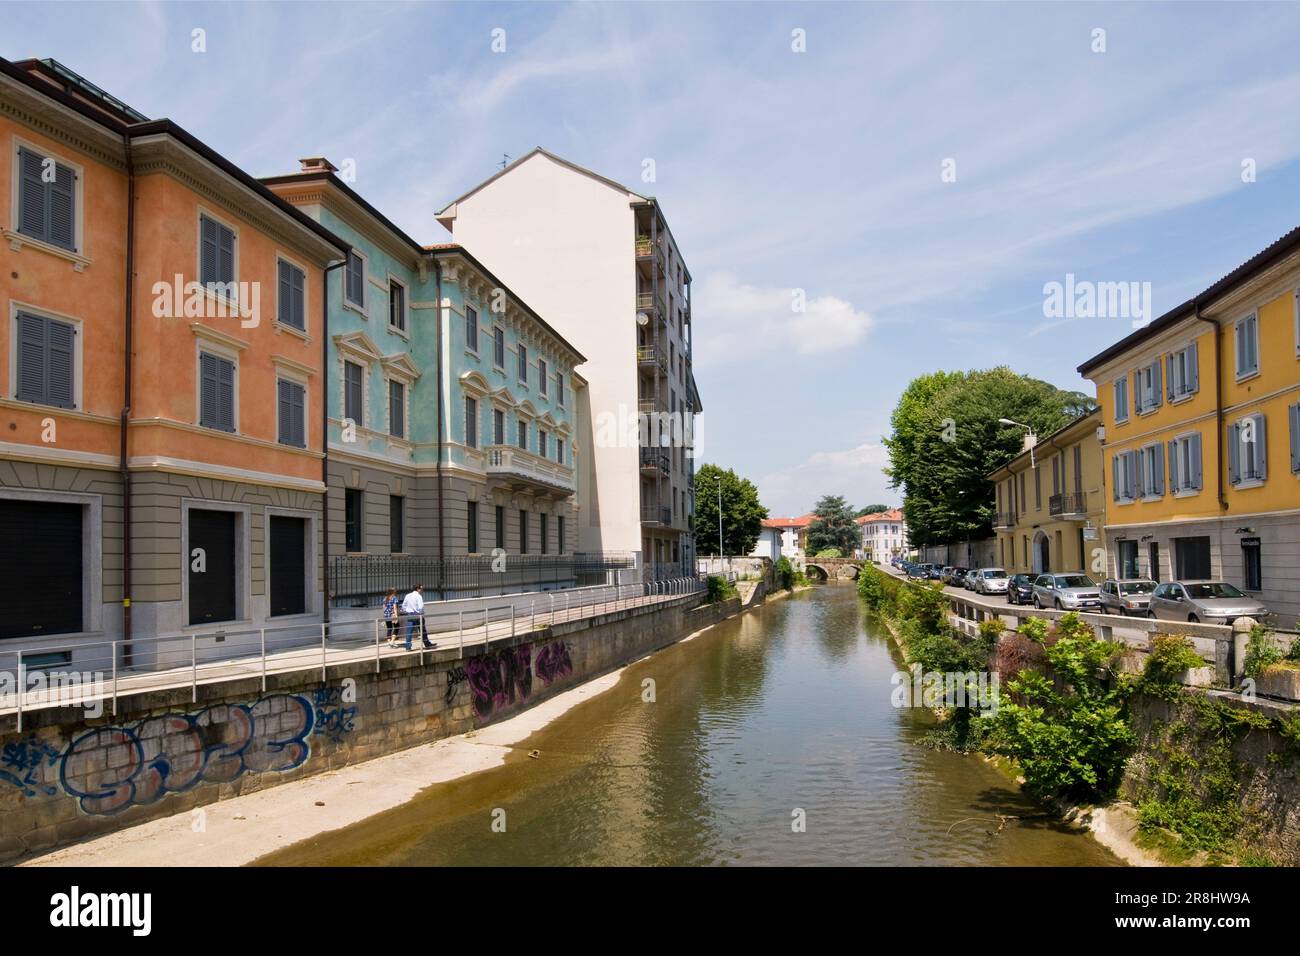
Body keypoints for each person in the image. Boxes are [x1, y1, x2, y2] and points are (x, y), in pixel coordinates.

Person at [400, 585, 435, 650]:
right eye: (421, 588)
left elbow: (403, 606)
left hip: (410, 614)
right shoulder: (418, 596)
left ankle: (408, 647)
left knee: (409, 631)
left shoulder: (408, 595)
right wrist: (420, 613)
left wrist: (407, 611)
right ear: (418, 589)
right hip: (418, 615)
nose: (422, 590)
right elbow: (421, 606)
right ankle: (427, 644)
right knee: (422, 630)